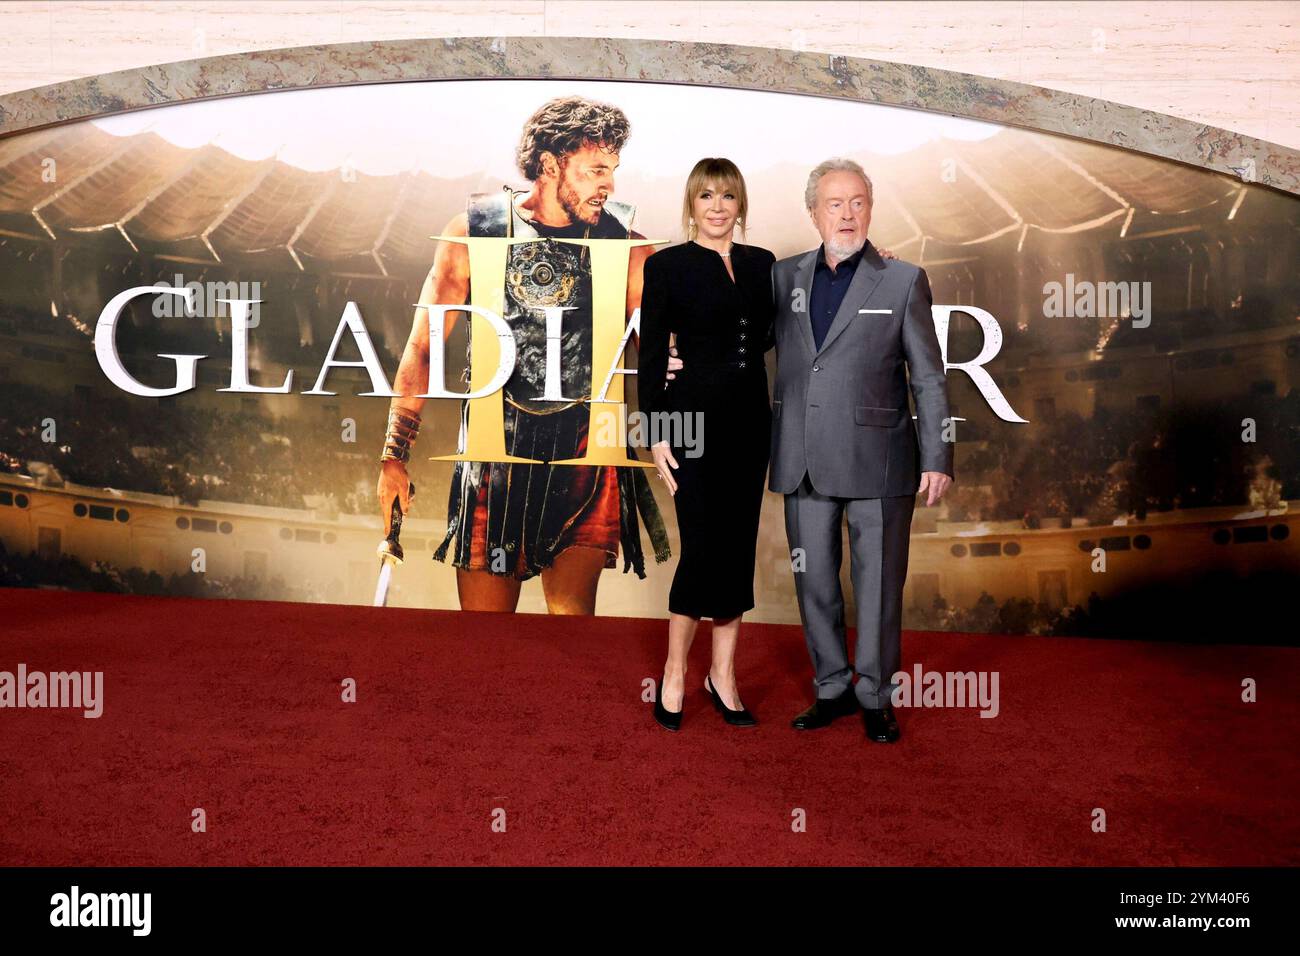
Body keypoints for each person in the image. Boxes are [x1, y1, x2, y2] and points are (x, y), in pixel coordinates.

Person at [375, 95, 680, 615]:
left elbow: (661, 361)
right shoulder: (474, 232)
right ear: (550, 164)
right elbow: (424, 345)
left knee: (569, 629)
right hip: (494, 456)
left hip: (585, 458)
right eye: (596, 169)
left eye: (613, 170)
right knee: (486, 644)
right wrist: (393, 453)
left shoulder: (629, 249)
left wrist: (670, 434)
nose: (609, 184)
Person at [769, 157, 954, 743]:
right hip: (802, 455)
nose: (847, 215)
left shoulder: (903, 279)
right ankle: (831, 688)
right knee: (815, 580)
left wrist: (937, 457)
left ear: (870, 209)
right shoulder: (781, 278)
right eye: (834, 204)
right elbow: (732, 335)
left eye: (857, 203)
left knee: (878, 586)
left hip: (881, 459)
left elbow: (928, 376)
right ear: (813, 212)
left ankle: (875, 695)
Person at [639, 158, 776, 731]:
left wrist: (878, 257)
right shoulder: (667, 265)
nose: (717, 206)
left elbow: (797, 306)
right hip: (689, 420)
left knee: (737, 545)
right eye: (706, 196)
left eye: (727, 196)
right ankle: (674, 673)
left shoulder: (763, 263)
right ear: (691, 205)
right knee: (700, 544)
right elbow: (648, 355)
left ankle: (724, 675)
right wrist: (653, 434)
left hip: (750, 423)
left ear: (739, 204)